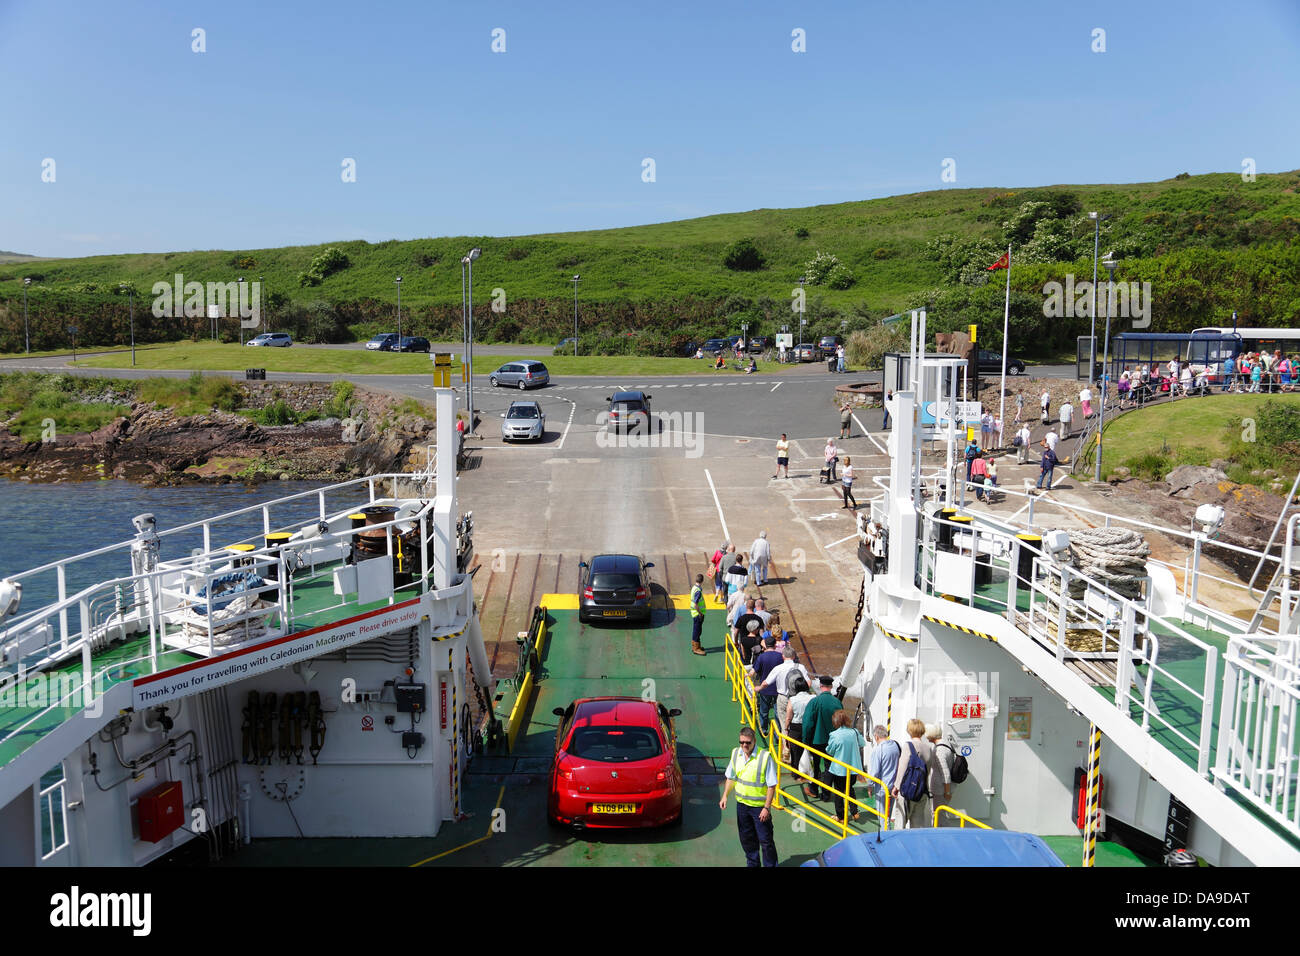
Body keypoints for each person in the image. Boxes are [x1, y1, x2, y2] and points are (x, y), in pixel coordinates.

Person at [720, 726, 778, 867]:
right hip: (742, 807)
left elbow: (771, 785)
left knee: (766, 841)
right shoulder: (736, 754)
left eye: (747, 742)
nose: (744, 745)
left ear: (754, 741)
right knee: (747, 839)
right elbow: (731, 777)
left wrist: (766, 808)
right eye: (742, 742)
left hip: (759, 809)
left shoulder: (764, 757)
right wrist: (725, 796)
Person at [802, 676, 843, 800]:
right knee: (829, 766)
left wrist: (805, 741)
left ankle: (813, 790)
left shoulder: (814, 702)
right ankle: (826, 794)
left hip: (816, 740)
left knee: (815, 765)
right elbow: (841, 722)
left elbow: (808, 724)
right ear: (831, 687)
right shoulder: (837, 702)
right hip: (833, 741)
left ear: (820, 686)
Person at [825, 710, 868, 823]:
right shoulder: (854, 732)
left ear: (835, 722)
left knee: (839, 792)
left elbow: (829, 750)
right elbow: (862, 744)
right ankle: (854, 812)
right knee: (849, 788)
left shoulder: (834, 735)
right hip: (853, 768)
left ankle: (841, 816)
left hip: (839, 769)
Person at [891, 718, 934, 829]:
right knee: (918, 824)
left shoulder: (908, 746)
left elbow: (902, 768)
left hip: (908, 791)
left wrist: (896, 786)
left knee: (901, 822)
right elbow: (928, 769)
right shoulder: (928, 748)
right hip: (922, 791)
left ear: (909, 730)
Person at [763, 646, 809, 733]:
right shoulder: (801, 667)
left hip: (783, 698)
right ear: (794, 656)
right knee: (799, 722)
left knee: (784, 723)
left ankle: (786, 744)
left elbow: (766, 683)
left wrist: (759, 688)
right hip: (798, 698)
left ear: (783, 656)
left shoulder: (778, 668)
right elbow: (808, 683)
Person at [865, 725, 901, 827]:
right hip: (894, 786)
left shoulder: (878, 750)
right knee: (888, 815)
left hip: (882, 788)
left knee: (882, 816)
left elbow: (875, 772)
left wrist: (870, 786)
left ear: (876, 737)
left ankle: (887, 835)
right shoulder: (896, 745)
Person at [748, 636, 785, 735]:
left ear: (766, 645)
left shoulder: (761, 657)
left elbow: (753, 671)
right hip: (778, 689)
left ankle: (763, 730)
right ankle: (778, 735)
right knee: (778, 713)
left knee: (764, 711)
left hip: (764, 689)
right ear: (775, 645)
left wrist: (746, 675)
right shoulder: (780, 656)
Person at [785, 677, 815, 797]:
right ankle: (810, 773)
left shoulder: (792, 699)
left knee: (795, 751)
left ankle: (797, 774)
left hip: (796, 727)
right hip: (809, 727)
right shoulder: (813, 698)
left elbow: (788, 716)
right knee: (810, 750)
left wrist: (786, 729)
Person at [925, 724, 954, 825]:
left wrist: (947, 792)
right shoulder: (946, 744)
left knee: (939, 814)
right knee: (939, 813)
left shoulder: (939, 750)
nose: (926, 736)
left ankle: (941, 835)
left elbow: (945, 772)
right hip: (941, 788)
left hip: (940, 789)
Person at [688, 573, 707, 656]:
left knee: (697, 630)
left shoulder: (694, 588)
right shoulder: (698, 591)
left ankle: (697, 646)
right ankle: (696, 648)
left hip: (694, 613)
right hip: (697, 614)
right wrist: (700, 613)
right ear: (702, 581)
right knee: (697, 630)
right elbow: (696, 604)